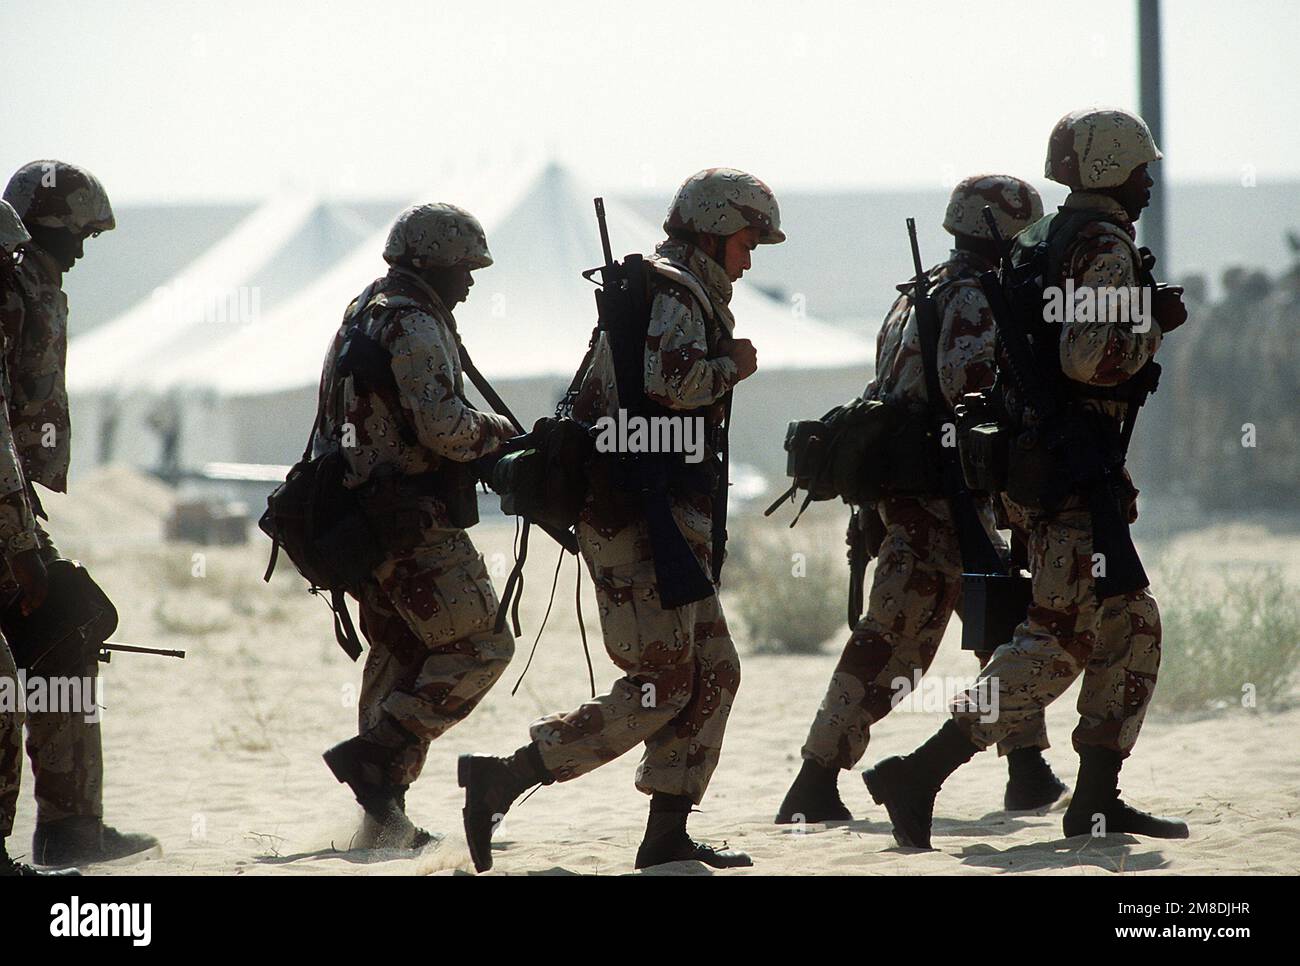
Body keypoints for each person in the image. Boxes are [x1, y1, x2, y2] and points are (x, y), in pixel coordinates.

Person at [864, 108, 1190, 848]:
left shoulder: (1044, 240)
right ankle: (921, 771)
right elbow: (1088, 358)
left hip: (1046, 461)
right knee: (1058, 638)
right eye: (1141, 169)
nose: (1148, 183)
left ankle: (1096, 799)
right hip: (1072, 464)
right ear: (1109, 168)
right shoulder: (1102, 244)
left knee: (1130, 626)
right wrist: (1153, 320)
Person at [459, 169, 780, 872]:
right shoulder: (675, 292)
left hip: (658, 519)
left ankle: (666, 834)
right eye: (748, 241)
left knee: (714, 673)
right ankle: (506, 776)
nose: (751, 258)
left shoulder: (671, 289)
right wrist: (732, 365)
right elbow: (672, 384)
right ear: (714, 229)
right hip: (638, 521)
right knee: (663, 684)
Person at [776, 175, 1067, 825]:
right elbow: (968, 393)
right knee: (894, 645)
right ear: (1004, 230)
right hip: (935, 497)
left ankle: (1028, 769)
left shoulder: (921, 290)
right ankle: (815, 780)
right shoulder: (973, 295)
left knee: (1003, 626)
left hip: (925, 492)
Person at [317, 203, 517, 847]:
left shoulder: (365, 311)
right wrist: (502, 436)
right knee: (483, 645)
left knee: (400, 654)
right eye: (465, 268)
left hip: (359, 522)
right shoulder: (415, 324)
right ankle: (377, 752)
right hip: (410, 523)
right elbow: (444, 428)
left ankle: (383, 819)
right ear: (435, 265)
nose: (471, 281)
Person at [1, 161, 158, 866]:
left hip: (14, 504)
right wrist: (19, 539)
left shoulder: (35, 286)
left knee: (64, 640)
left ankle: (70, 830)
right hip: (6, 513)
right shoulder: (10, 289)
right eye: (76, 233)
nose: (82, 250)